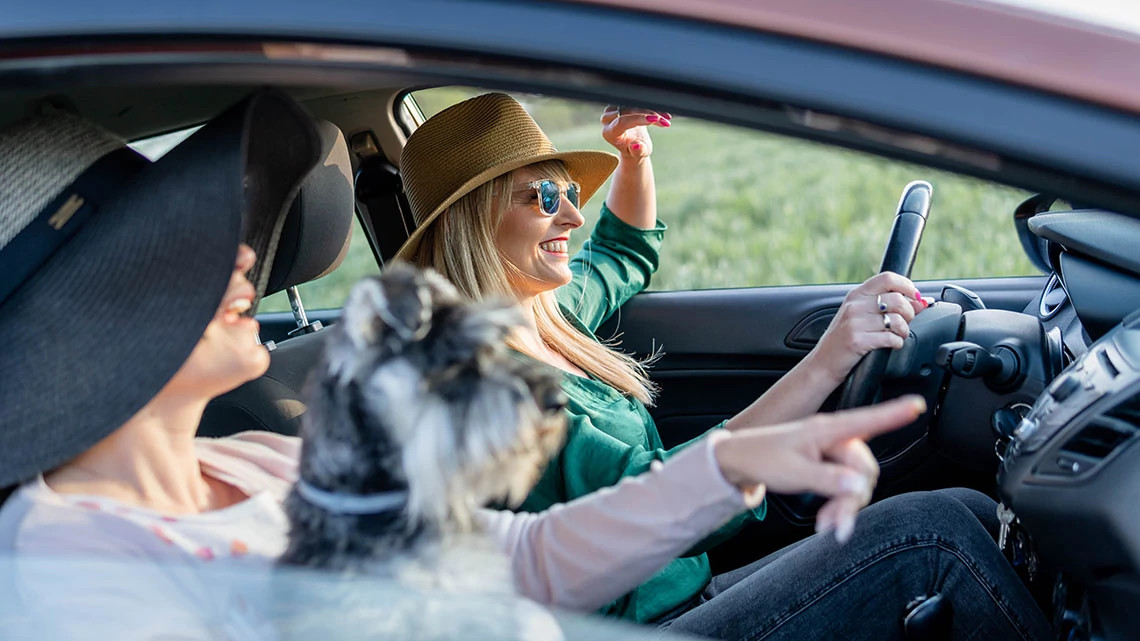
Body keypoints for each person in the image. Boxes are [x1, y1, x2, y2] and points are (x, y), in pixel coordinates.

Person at [0, 91, 1048, 641]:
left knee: (940, 521)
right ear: (83, 326)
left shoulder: (261, 462)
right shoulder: (71, 586)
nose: (240, 258)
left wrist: (733, 460)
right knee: (935, 536)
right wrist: (810, 378)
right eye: (170, 255)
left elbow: (532, 558)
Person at [393, 93, 1050, 639]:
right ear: (473, 223)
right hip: (645, 624)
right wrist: (828, 358)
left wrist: (634, 154)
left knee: (967, 507)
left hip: (691, 593)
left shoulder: (547, 313)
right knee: (934, 540)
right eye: (543, 197)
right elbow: (659, 500)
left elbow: (623, 250)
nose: (572, 212)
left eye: (568, 191)